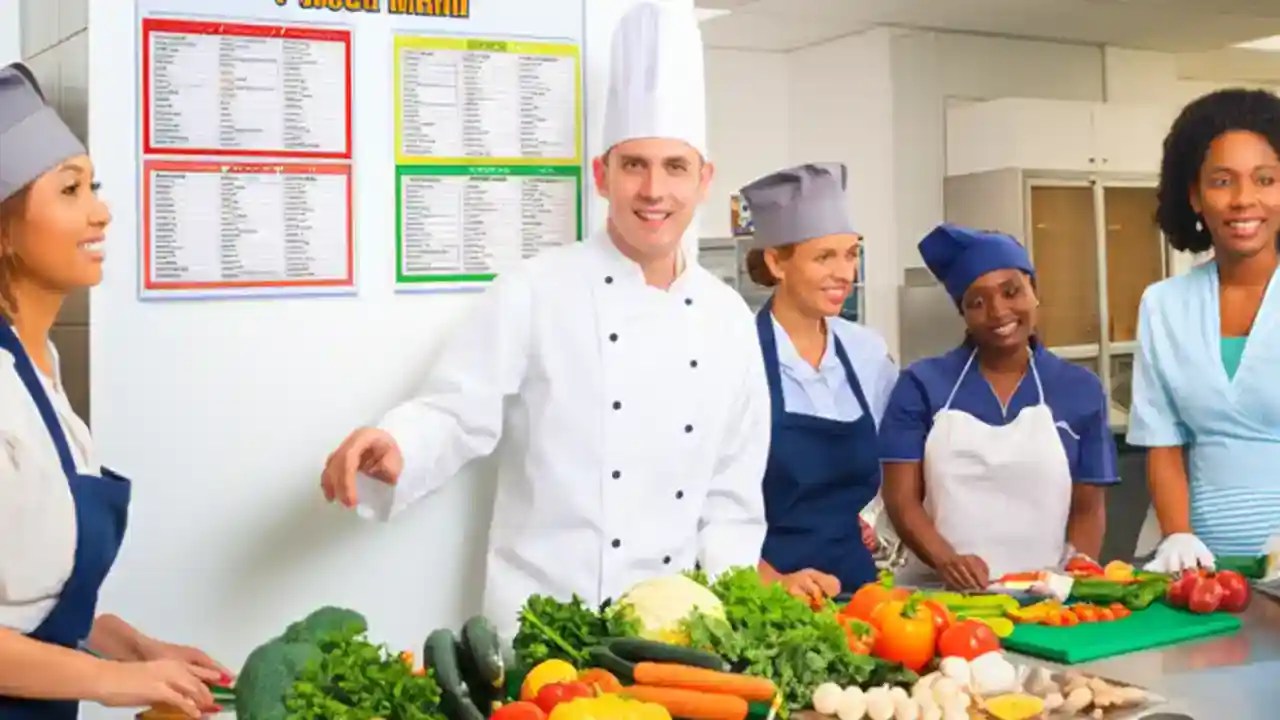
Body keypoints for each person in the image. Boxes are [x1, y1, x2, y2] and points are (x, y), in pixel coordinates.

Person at [320, 2, 824, 639]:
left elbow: (731, 495)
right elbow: (455, 410)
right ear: (602, 175)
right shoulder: (537, 289)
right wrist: (397, 445)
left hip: (676, 634)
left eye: (675, 167)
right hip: (539, 626)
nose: (653, 191)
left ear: (704, 181)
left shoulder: (727, 319)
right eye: (633, 165)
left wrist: (734, 620)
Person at [0, 63, 228, 718]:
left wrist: (124, 646)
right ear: (5, 229)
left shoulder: (38, 365)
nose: (101, 211)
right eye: (70, 190)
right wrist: (111, 684)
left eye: (92, 186)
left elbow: (21, 591)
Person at [878, 224, 1119, 590]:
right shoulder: (921, 385)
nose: (998, 311)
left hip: (1044, 595)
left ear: (1034, 292)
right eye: (977, 302)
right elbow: (901, 501)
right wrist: (947, 561)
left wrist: (1075, 574)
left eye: (1012, 292)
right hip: (939, 595)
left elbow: (1089, 507)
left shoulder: (1079, 389)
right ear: (962, 313)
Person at [1130, 88, 1280, 572]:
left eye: (1265, 180)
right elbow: (1163, 443)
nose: (1243, 201)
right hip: (1206, 569)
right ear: (1194, 195)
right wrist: (1178, 536)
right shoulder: (1164, 306)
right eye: (1222, 181)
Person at [737, 163, 897, 598]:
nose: (845, 273)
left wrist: (873, 519)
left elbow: (896, 460)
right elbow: (707, 501)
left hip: (858, 593)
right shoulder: (737, 356)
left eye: (851, 254)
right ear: (776, 261)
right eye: (825, 257)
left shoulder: (866, 353)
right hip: (766, 596)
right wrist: (771, 582)